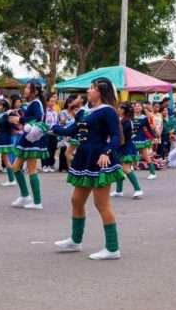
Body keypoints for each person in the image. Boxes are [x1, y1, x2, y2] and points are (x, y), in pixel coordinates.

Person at [52, 79, 125, 260]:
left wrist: (107, 152)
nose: (88, 90)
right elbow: (72, 130)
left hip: (100, 159)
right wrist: (50, 127)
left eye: (92, 88)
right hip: (84, 158)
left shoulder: (108, 111)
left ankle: (112, 248)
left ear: (100, 92)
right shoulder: (85, 111)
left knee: (101, 204)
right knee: (76, 200)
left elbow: (116, 136)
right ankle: (75, 241)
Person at [9, 83, 48, 210]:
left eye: (27, 88)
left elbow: (38, 118)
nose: (25, 89)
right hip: (28, 138)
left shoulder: (36, 103)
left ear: (35, 91)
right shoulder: (34, 103)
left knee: (31, 169)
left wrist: (19, 120)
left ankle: (37, 202)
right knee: (16, 167)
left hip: (32, 139)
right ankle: (25, 196)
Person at [111, 102, 144, 199]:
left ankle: (138, 189)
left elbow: (123, 136)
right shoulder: (120, 120)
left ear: (124, 110)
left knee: (125, 168)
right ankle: (119, 190)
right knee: (119, 168)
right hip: (120, 147)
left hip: (126, 147)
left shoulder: (127, 122)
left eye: (119, 108)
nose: (117, 110)